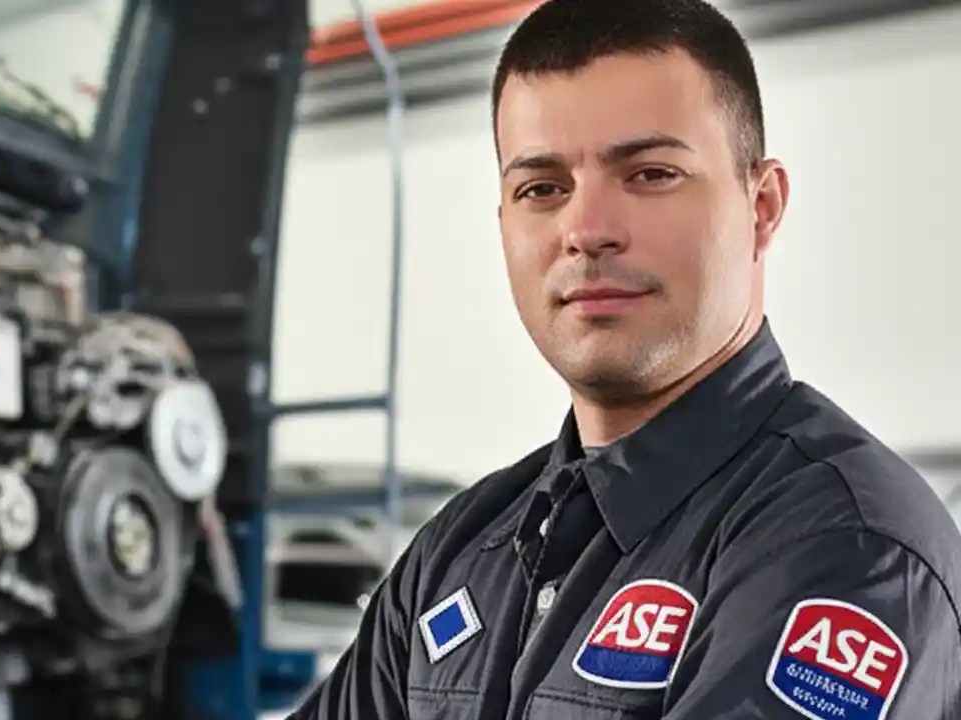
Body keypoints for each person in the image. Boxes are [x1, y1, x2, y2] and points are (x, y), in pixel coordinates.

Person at [286, 0, 961, 718]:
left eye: (649, 174)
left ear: (761, 207)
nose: (586, 230)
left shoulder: (846, 551)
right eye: (541, 189)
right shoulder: (457, 554)